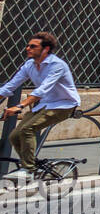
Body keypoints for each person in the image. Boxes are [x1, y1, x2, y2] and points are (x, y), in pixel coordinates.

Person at [0, 32, 80, 181]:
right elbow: (11, 85)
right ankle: (33, 165)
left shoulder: (57, 65)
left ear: (46, 49)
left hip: (64, 104)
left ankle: (28, 169)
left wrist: (20, 106)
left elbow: (42, 89)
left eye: (33, 46)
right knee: (15, 136)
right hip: (44, 104)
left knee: (27, 129)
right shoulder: (29, 64)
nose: (27, 48)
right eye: (27, 45)